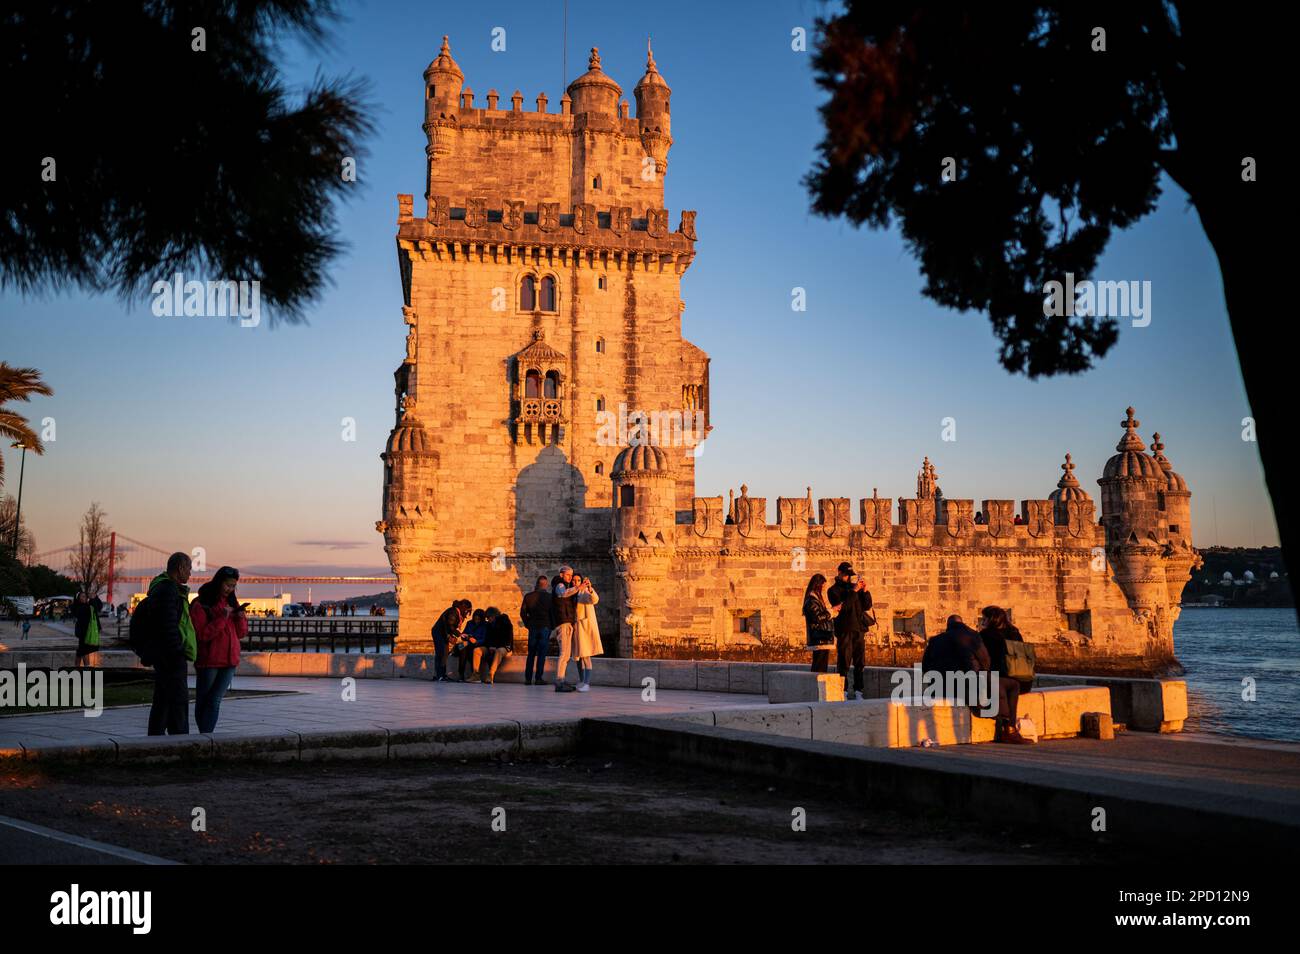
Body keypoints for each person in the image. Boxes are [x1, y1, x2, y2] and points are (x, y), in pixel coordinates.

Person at [189, 566, 247, 733]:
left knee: (215, 700)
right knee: (204, 700)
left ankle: (207, 736)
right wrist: (223, 617)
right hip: (209, 660)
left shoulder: (232, 603)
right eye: (227, 585)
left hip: (230, 661)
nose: (230, 589)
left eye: (233, 586)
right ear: (219, 582)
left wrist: (240, 618)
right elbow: (201, 635)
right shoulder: (202, 604)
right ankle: (205, 736)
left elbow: (241, 633)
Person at [147, 552, 197, 736]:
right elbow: (167, 625)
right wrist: (178, 651)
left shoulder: (161, 587)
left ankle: (157, 739)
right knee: (177, 702)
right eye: (189, 569)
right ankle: (180, 741)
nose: (190, 574)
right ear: (181, 568)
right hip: (171, 657)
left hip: (165, 655)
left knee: (163, 701)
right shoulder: (168, 589)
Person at [978, 605, 1033, 744]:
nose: (981, 621)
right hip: (1016, 676)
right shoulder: (1014, 632)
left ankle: (1008, 730)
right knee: (1013, 688)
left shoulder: (986, 635)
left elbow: (983, 657)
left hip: (997, 675)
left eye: (984, 618)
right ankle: (1011, 729)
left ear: (991, 619)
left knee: (1000, 687)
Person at [827, 562, 873, 699]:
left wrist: (865, 591)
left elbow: (867, 606)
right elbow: (843, 607)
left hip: (859, 629)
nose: (848, 578)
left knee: (860, 662)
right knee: (844, 661)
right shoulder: (833, 590)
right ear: (839, 573)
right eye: (846, 575)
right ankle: (844, 691)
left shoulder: (855, 589)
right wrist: (854, 591)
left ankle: (859, 691)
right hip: (845, 629)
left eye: (850, 576)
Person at [550, 565, 580, 692]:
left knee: (566, 654)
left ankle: (561, 679)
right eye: (568, 575)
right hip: (563, 623)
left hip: (566, 622)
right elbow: (563, 594)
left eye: (571, 575)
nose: (570, 577)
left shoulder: (564, 585)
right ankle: (559, 681)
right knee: (564, 654)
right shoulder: (559, 584)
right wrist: (579, 587)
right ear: (561, 575)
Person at [801, 573, 839, 673]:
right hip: (819, 637)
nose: (823, 589)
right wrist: (831, 611)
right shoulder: (811, 601)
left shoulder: (815, 599)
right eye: (823, 586)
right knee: (819, 666)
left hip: (822, 638)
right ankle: (815, 687)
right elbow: (818, 618)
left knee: (821, 665)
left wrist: (832, 612)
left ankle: (818, 687)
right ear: (818, 585)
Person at [520, 575, 552, 686]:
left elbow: (523, 613)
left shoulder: (528, 597)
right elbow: (552, 613)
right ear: (546, 585)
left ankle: (528, 679)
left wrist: (528, 624)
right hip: (545, 627)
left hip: (533, 627)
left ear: (537, 584)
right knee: (541, 654)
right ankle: (538, 678)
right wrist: (551, 626)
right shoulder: (549, 597)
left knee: (531, 654)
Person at [573, 576, 603, 691]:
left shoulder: (584, 592)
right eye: (574, 581)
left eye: (578, 581)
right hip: (576, 628)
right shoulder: (573, 593)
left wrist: (590, 588)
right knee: (578, 656)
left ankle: (586, 683)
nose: (576, 583)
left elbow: (594, 599)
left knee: (585, 655)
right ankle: (581, 680)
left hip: (584, 629)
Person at [431, 599, 470, 682]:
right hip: (439, 633)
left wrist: (451, 636)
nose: (467, 614)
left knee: (444, 653)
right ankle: (439, 675)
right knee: (441, 653)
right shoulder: (454, 612)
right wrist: (458, 635)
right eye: (467, 611)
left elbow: (449, 627)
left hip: (443, 633)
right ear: (464, 608)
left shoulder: (456, 612)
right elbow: (450, 625)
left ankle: (441, 675)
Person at [479, 607, 514, 685]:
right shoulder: (489, 625)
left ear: (494, 616)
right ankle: (475, 674)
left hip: (505, 648)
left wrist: (496, 647)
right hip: (492, 647)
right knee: (477, 650)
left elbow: (507, 638)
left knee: (499, 651)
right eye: (487, 618)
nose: (488, 620)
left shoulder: (505, 623)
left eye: (489, 617)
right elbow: (487, 639)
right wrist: (490, 646)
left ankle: (491, 674)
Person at [70, 591, 103, 668]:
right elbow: (91, 608)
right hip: (83, 632)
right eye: (82, 596)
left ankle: (83, 667)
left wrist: (95, 597)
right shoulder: (78, 607)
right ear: (78, 598)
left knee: (83, 651)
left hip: (89, 631)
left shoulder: (87, 605)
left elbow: (98, 607)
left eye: (85, 596)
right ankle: (82, 667)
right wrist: (92, 600)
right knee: (82, 650)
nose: (84, 598)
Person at [457, 609, 489, 682]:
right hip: (468, 643)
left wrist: (476, 641)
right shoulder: (469, 623)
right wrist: (467, 636)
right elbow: (463, 634)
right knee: (461, 648)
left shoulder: (485, 625)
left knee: (467, 650)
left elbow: (485, 639)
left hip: (478, 645)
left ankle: (474, 675)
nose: (476, 620)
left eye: (478, 619)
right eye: (475, 618)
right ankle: (461, 674)